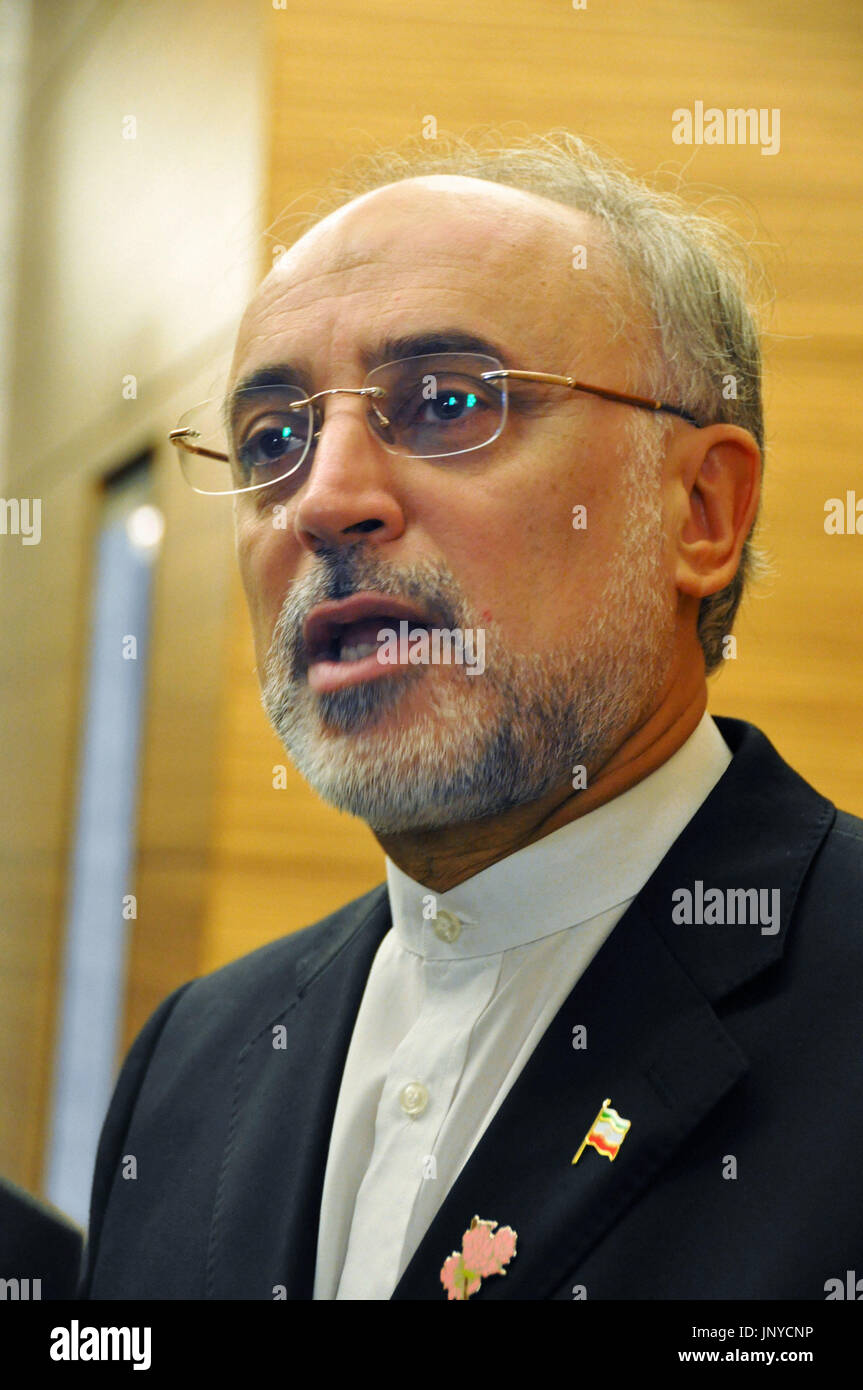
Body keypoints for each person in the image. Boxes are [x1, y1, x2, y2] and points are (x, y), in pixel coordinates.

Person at [79, 133, 862, 1300]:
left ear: (699, 509)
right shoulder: (191, 1060)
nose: (326, 501)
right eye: (271, 440)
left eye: (447, 402)